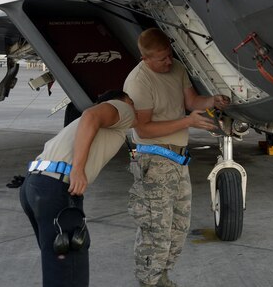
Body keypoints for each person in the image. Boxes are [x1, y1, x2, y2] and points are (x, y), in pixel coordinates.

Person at [124, 28, 229, 287]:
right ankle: (149, 281)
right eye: (162, 59)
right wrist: (187, 122)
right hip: (154, 161)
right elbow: (143, 128)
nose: (168, 62)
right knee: (155, 228)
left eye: (169, 55)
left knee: (179, 226)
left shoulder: (177, 69)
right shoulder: (139, 81)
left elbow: (192, 101)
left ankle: (163, 277)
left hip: (178, 160)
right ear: (145, 58)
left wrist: (212, 101)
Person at [19, 90, 137, 287]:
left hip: (36, 185)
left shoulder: (96, 125)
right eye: (133, 104)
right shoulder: (122, 107)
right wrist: (78, 169)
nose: (135, 110)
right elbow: (92, 115)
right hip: (56, 188)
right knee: (69, 272)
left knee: (58, 267)